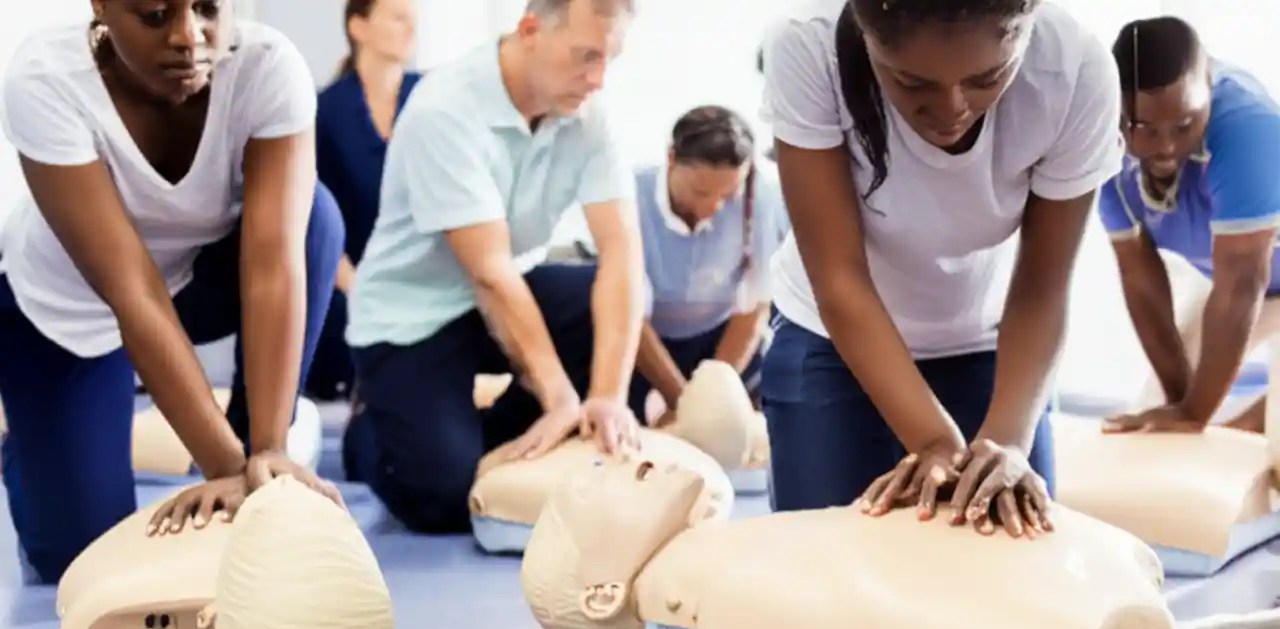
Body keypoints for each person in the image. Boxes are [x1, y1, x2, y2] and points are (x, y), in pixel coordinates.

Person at [0, 0, 346, 584]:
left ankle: (271, 430)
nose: (189, 36)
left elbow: (272, 263)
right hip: (69, 315)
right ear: (102, 8)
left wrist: (264, 458)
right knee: (74, 554)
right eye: (156, 15)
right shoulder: (45, 79)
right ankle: (36, 443)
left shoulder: (267, 68)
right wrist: (224, 469)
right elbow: (130, 290)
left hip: (196, 285)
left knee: (315, 219)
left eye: (208, 9)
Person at [759, 0, 1124, 536]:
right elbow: (839, 278)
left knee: (1013, 559)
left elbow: (1043, 285)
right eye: (911, 83)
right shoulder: (807, 46)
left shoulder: (1077, 70)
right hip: (830, 339)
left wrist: (1006, 442)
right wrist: (933, 442)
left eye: (987, 78)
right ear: (866, 37)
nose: (953, 107)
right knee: (828, 569)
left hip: (987, 342)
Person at [343, 0, 645, 533]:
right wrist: (558, 396)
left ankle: (494, 429)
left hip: (501, 296)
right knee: (442, 496)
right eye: (585, 56)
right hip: (411, 319)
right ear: (530, 30)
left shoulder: (587, 112)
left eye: (611, 59)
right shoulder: (447, 107)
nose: (598, 78)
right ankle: (373, 431)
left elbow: (622, 255)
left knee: (604, 322)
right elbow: (488, 271)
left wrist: (607, 397)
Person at [1098, 17, 1280, 437]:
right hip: (1231, 281)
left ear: (1209, 92)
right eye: (1146, 129)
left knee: (1269, 435)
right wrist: (1179, 405)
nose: (1165, 147)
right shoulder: (1101, 137)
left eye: (1185, 126)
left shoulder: (1249, 128)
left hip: (1246, 277)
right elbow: (1140, 275)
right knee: (1149, 422)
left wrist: (1195, 415)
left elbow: (1242, 283)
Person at [630, 105, 789, 426]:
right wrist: (681, 401)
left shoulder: (765, 192)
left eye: (727, 195)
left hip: (723, 335)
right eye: (700, 192)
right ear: (671, 158)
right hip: (642, 339)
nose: (712, 206)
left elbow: (752, 310)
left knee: (736, 425)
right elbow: (627, 316)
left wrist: (711, 399)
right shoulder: (629, 193)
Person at [307, 0, 422, 401]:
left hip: (424, 278)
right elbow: (313, 215)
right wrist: (361, 290)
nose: (411, 28)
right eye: (397, 18)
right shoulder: (323, 111)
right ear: (358, 27)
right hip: (351, 283)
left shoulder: (430, 100)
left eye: (413, 19)